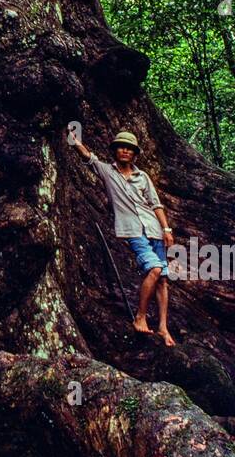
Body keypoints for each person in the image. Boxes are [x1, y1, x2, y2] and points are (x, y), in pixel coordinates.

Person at [70, 127, 176, 346]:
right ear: (115, 151)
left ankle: (164, 328)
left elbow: (156, 204)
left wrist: (166, 230)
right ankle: (140, 317)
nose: (125, 151)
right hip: (133, 230)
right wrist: (74, 139)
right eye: (121, 147)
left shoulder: (142, 176)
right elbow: (89, 158)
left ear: (134, 153)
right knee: (154, 269)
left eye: (130, 149)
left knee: (163, 279)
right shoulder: (108, 172)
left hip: (154, 229)